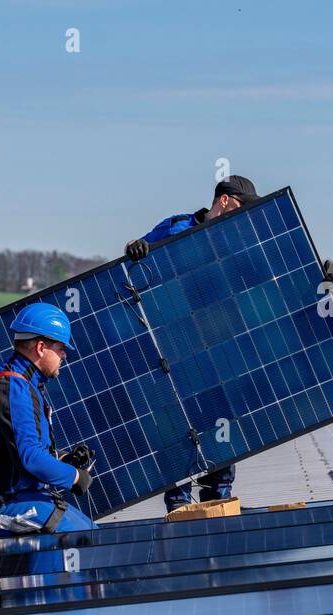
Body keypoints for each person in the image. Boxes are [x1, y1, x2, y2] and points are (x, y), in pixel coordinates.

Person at [123, 175, 260, 511]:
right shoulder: (175, 227)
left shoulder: (239, 244)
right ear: (225, 201)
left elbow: (270, 282)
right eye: (241, 207)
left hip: (218, 350)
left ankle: (218, 497)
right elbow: (132, 265)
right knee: (179, 430)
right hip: (173, 352)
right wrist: (135, 249)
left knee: (221, 429)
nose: (244, 218)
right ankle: (181, 507)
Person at [0, 303, 97, 539]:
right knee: (86, 539)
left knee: (91, 533)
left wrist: (65, 460)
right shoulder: (15, 388)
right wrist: (75, 477)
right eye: (61, 347)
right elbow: (31, 459)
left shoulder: (19, 383)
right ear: (41, 347)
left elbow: (19, 451)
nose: (65, 354)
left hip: (4, 498)